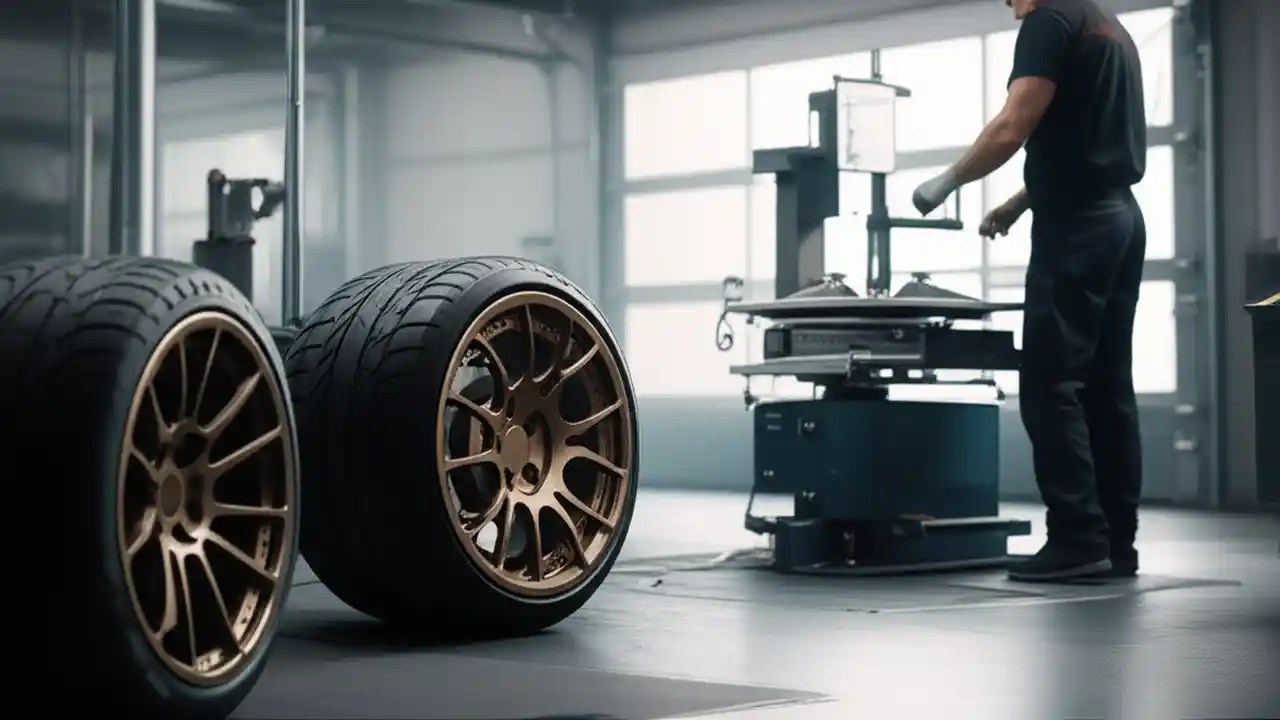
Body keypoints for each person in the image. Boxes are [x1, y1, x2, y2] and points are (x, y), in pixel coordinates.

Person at [910, 0, 1148, 581]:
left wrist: (945, 181)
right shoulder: (1108, 27)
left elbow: (1015, 125)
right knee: (1107, 385)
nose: (1007, 3)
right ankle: (1116, 542)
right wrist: (1020, 202)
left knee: (1050, 381)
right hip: (1121, 217)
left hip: (1079, 227)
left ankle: (1076, 537)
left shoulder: (1050, 23)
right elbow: (1086, 138)